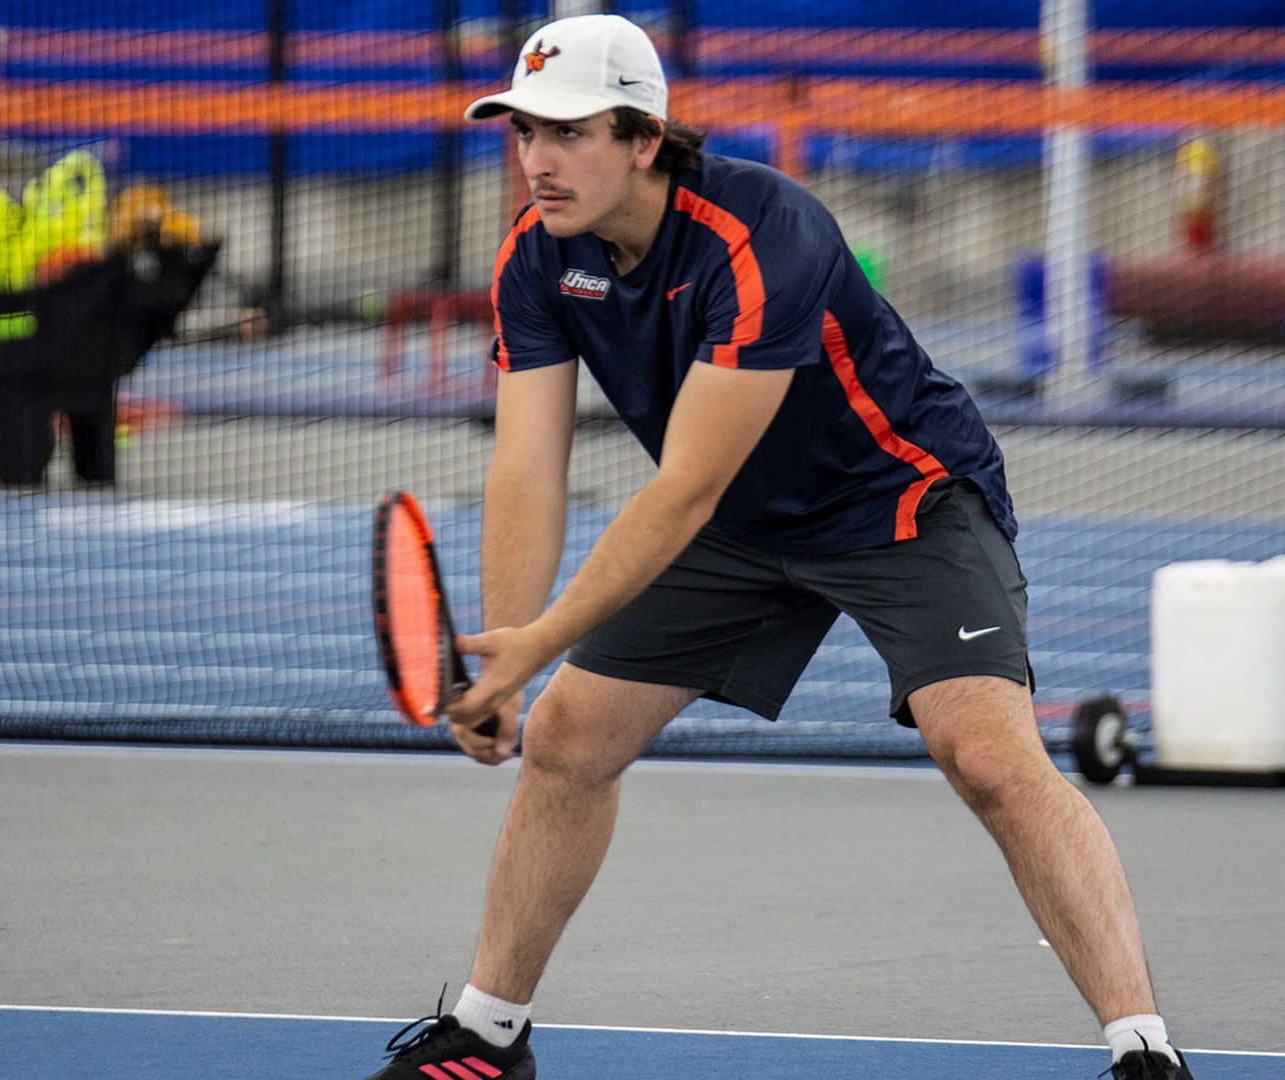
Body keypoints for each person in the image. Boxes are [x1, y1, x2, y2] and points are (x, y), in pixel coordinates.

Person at [363, 14, 1194, 1080]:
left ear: (643, 137)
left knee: (986, 754)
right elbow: (527, 468)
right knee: (569, 736)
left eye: (569, 133)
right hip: (739, 526)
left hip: (899, 498)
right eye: (525, 131)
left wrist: (540, 641)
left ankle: (1143, 1051)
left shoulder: (762, 235)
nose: (539, 160)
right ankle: (488, 1033)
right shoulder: (536, 257)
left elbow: (682, 487)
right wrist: (513, 656)